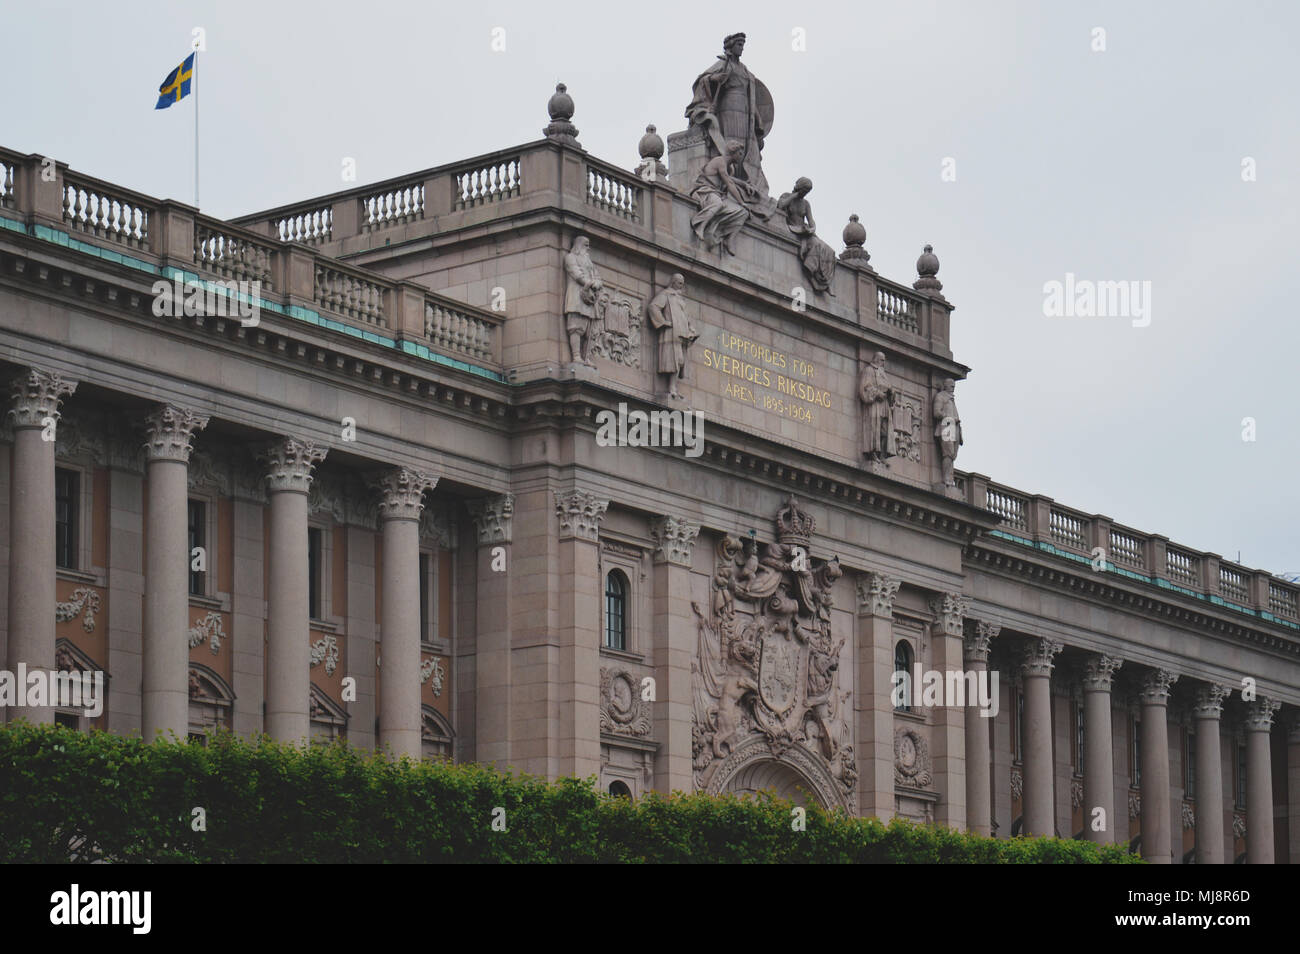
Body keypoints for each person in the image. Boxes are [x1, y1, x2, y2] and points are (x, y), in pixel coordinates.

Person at [685, 32, 774, 197]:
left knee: (744, 145)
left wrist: (757, 118)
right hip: (728, 108)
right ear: (731, 46)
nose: (741, 49)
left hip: (745, 111)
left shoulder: (745, 70)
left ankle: (743, 179)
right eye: (739, 45)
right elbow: (701, 81)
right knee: (730, 142)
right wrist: (714, 78)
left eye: (743, 45)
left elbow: (751, 95)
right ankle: (729, 178)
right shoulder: (722, 64)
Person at [776, 177, 837, 295]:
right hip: (792, 229)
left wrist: (811, 229)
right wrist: (794, 196)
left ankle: (823, 281)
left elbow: (811, 222)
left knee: (829, 250)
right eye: (804, 190)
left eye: (807, 191)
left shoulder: (806, 204)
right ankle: (814, 276)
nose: (805, 193)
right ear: (799, 187)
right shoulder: (786, 196)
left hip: (805, 232)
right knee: (816, 246)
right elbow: (780, 206)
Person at [648, 273, 698, 398]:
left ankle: (673, 387)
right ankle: (671, 388)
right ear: (673, 282)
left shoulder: (680, 299)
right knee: (675, 359)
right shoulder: (666, 294)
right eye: (679, 282)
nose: (681, 285)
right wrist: (662, 322)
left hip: (682, 334)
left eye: (682, 283)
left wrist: (691, 330)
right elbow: (653, 306)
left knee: (680, 361)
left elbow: (686, 318)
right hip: (672, 332)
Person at [562, 235, 602, 366]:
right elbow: (576, 274)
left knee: (590, 330)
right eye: (586, 245)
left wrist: (597, 283)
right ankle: (576, 356)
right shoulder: (570, 257)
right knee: (576, 327)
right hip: (577, 296)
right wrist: (590, 283)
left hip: (590, 299)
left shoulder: (589, 262)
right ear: (578, 245)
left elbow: (597, 275)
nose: (588, 248)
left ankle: (587, 358)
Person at [860, 351, 897, 463]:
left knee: (884, 431)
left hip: (884, 404)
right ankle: (873, 453)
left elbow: (888, 386)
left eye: (884, 360)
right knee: (874, 429)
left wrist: (891, 391)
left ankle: (882, 453)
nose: (883, 363)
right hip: (875, 404)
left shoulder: (882, 373)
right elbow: (865, 387)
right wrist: (877, 393)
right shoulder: (869, 370)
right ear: (875, 359)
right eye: (882, 360)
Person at [933, 377, 963, 486]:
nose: (953, 388)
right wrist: (948, 417)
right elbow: (936, 412)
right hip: (946, 426)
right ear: (945, 385)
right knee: (948, 453)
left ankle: (949, 477)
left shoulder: (951, 399)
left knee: (953, 454)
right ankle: (946, 478)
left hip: (954, 428)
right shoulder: (941, 397)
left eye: (954, 386)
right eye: (951, 386)